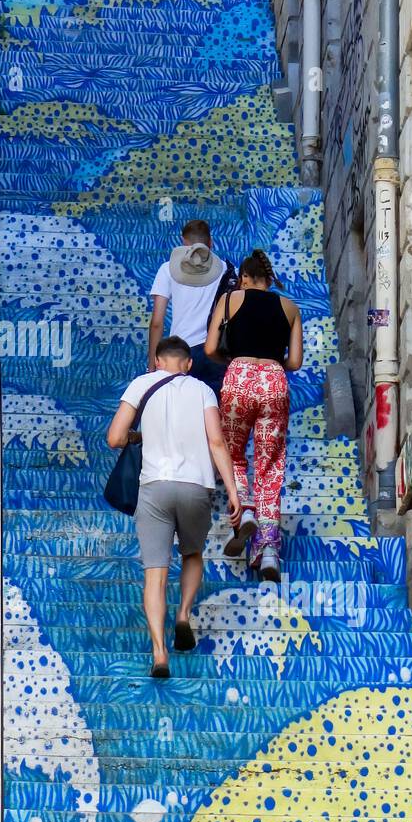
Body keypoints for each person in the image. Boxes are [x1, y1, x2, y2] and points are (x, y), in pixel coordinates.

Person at [107, 336, 242, 678]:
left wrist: (137, 438)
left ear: (157, 361)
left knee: (155, 573)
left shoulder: (141, 384)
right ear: (188, 363)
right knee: (192, 553)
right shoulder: (202, 391)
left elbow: (114, 438)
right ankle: (183, 613)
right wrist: (234, 491)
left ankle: (159, 652)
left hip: (154, 487)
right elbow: (216, 441)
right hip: (196, 486)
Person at [205, 249, 303, 584]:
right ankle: (269, 552)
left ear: (244, 279)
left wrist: (230, 361)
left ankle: (244, 507)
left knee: (232, 454)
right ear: (267, 278)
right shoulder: (290, 307)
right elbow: (295, 363)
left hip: (239, 378)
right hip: (274, 381)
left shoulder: (231, 299)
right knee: (270, 465)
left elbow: (208, 349)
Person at [148, 219, 237, 400]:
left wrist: (152, 365)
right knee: (212, 417)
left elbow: (157, 323)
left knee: (179, 416)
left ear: (183, 241)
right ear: (210, 242)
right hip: (214, 352)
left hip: (178, 353)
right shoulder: (227, 269)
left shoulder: (167, 270)